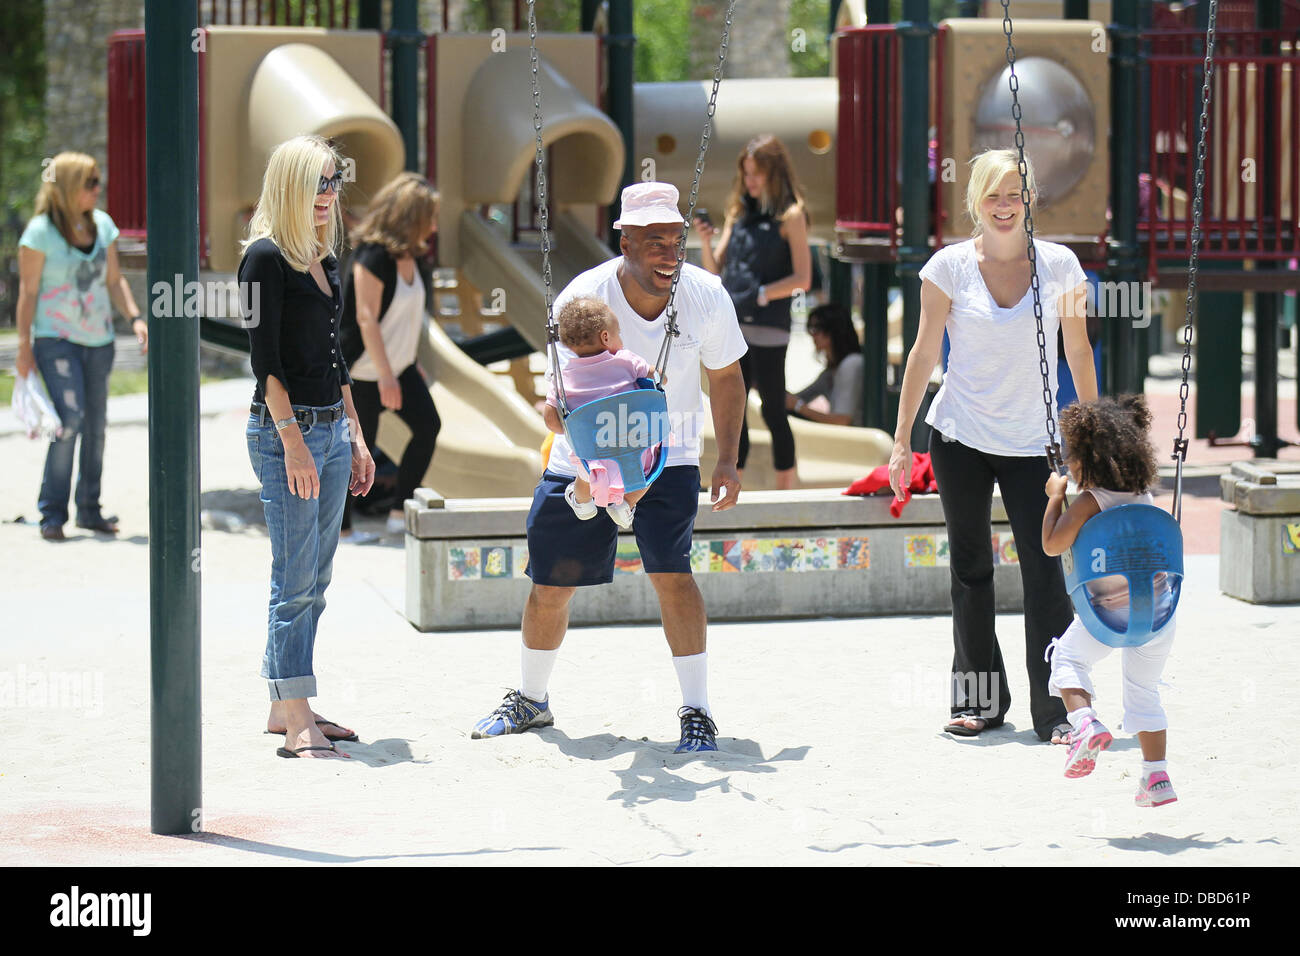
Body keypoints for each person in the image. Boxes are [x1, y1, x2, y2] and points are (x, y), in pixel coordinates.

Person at [470, 181, 748, 753]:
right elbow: (557, 403)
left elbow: (726, 377)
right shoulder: (583, 297)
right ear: (624, 241)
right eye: (653, 241)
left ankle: (697, 711)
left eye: (675, 240)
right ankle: (531, 698)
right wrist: (578, 437)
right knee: (550, 583)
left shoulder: (706, 295)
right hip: (583, 460)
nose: (669, 252)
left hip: (668, 456)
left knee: (673, 575)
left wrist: (729, 460)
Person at [888, 149, 1098, 745]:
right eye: (992, 196)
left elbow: (1078, 353)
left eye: (1015, 194)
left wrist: (1090, 436)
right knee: (970, 571)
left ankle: (1056, 710)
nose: (1005, 207)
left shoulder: (1059, 267)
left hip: (1037, 443)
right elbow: (924, 355)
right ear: (974, 203)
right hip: (960, 436)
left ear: (1030, 199)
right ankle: (980, 703)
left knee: (1044, 572)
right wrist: (902, 440)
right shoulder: (948, 268)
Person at [239, 135, 377, 759]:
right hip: (283, 432)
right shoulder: (263, 260)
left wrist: (358, 436)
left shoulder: (326, 258)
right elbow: (263, 363)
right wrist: (294, 442)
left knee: (316, 579)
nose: (328, 195)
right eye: (317, 183)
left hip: (331, 431)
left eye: (333, 183)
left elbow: (335, 358)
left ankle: (284, 704)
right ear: (289, 185)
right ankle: (297, 718)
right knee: (293, 580)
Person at [1042, 396, 1178, 806]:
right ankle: (1157, 779)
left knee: (1066, 658)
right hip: (1157, 615)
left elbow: (1052, 545)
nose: (1067, 463)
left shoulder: (1089, 501)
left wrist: (1054, 496)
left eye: (1071, 458)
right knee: (1144, 690)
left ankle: (1084, 723)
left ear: (1089, 461)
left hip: (1108, 617)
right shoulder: (1144, 497)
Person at [15, 151, 147, 541]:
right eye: (90, 183)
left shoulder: (102, 225)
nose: (97, 190)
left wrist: (135, 317)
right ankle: (52, 513)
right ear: (69, 186)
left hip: (99, 341)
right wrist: (24, 348)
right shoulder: (38, 233)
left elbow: (114, 280)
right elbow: (28, 292)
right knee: (69, 420)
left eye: (98, 182)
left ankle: (89, 509)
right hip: (56, 340)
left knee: (96, 427)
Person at [696, 134, 811, 490]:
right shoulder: (738, 213)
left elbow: (803, 277)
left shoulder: (791, 216)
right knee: (735, 410)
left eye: (757, 174)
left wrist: (762, 294)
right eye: (747, 174)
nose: (751, 181)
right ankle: (733, 484)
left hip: (769, 326)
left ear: (773, 173)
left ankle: (785, 490)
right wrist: (705, 240)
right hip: (735, 325)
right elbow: (716, 271)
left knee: (774, 408)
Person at [338, 171, 442, 537]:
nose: (433, 225)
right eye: (429, 216)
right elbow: (366, 318)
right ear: (410, 217)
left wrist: (410, 364)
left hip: (399, 367)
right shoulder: (371, 256)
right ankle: (343, 527)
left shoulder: (416, 260)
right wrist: (385, 375)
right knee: (356, 449)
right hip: (364, 371)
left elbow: (407, 320)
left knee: (428, 426)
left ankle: (399, 512)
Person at [546, 296, 657, 529]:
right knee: (654, 467)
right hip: (635, 449)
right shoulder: (627, 362)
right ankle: (626, 503)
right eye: (619, 334)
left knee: (583, 473)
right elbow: (657, 378)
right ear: (606, 337)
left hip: (593, 455)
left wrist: (572, 427)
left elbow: (552, 422)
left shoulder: (562, 378)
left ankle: (583, 503)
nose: (622, 341)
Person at [786, 303, 865, 427]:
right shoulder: (830, 373)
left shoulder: (851, 364)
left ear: (832, 331)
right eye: (810, 328)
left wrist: (798, 407)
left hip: (858, 441)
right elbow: (795, 398)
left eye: (816, 328)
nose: (811, 334)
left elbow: (842, 421)